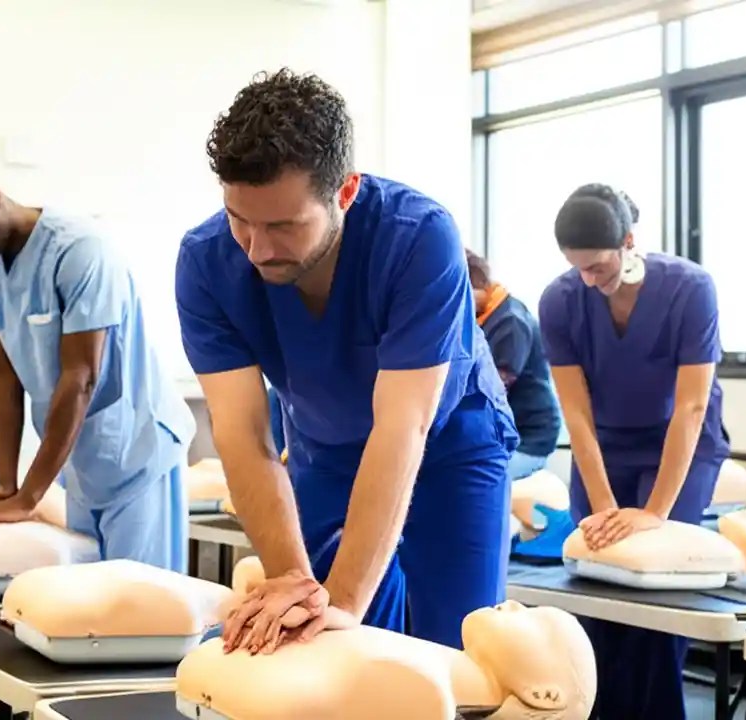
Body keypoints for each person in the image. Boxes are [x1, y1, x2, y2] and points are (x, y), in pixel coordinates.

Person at [175, 69, 518, 655]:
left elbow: (403, 426)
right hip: (326, 451)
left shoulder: (418, 237)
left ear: (346, 192)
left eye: (283, 226)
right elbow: (240, 434)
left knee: (455, 652)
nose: (257, 249)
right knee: (317, 640)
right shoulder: (206, 262)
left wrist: (346, 600)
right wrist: (295, 583)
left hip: (450, 447)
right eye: (240, 220)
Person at [0, 154, 196, 574]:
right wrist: (7, 485)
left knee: (142, 598)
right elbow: (1, 376)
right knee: (89, 597)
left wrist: (28, 498)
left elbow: (80, 377)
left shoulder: (79, 250)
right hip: (80, 459)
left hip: (136, 449)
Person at [538, 184, 728, 720]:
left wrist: (654, 513)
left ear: (628, 242)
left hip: (683, 444)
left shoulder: (690, 288)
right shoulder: (559, 300)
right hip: (607, 443)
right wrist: (603, 506)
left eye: (598, 266)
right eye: (577, 268)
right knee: (598, 574)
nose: (588, 280)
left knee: (658, 586)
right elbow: (576, 413)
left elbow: (691, 407)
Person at [465, 248, 560, 479]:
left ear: (480, 288)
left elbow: (489, 396)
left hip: (527, 441)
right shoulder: (478, 318)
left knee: (462, 481)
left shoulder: (511, 322)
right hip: (494, 438)